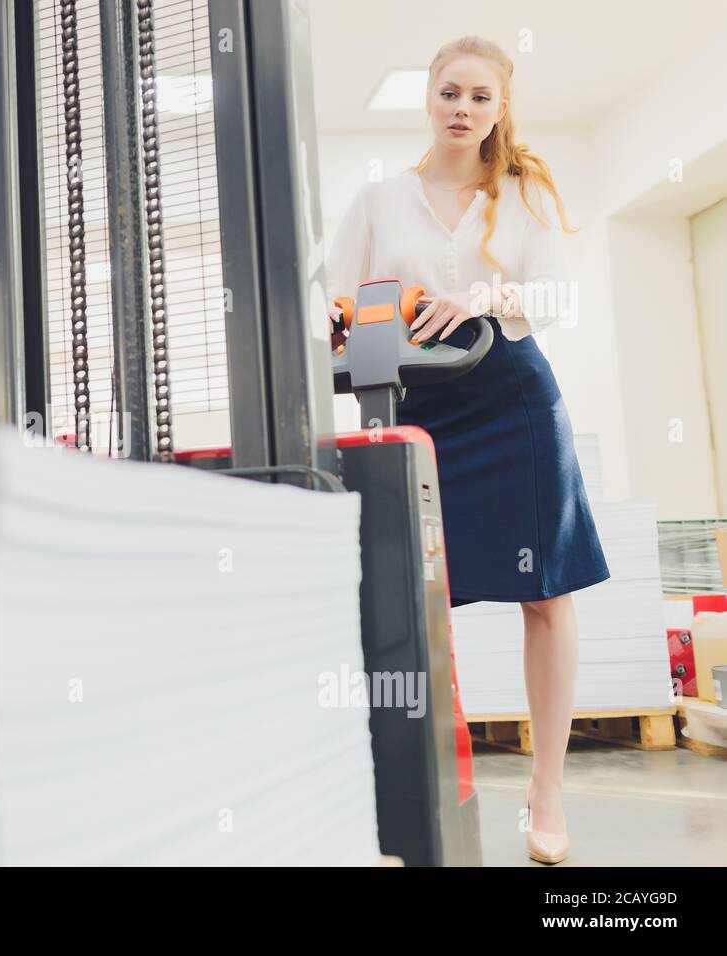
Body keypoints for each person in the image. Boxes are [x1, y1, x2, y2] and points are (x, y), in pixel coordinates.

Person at [325, 35, 610, 865]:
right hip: (415, 405)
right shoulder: (379, 202)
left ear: (501, 107)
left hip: (515, 396)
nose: (463, 109)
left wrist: (487, 293)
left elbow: (555, 294)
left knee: (547, 595)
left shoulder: (527, 191)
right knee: (405, 604)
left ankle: (546, 794)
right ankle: (403, 789)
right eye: (451, 92)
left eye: (480, 97)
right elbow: (333, 302)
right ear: (430, 97)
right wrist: (353, 317)